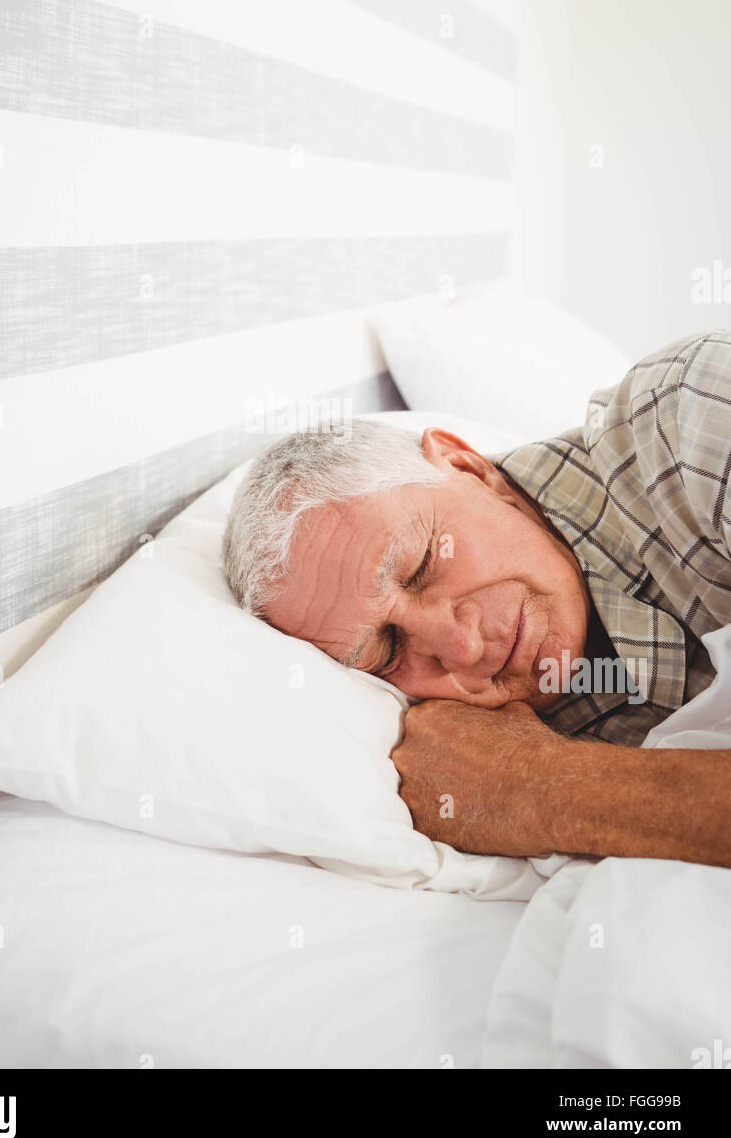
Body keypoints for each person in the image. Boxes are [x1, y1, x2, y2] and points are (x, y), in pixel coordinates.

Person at [223, 331, 731, 868]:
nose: (462, 648)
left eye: (421, 567)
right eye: (387, 653)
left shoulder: (688, 417)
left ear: (468, 468)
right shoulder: (467, 740)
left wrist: (541, 787)